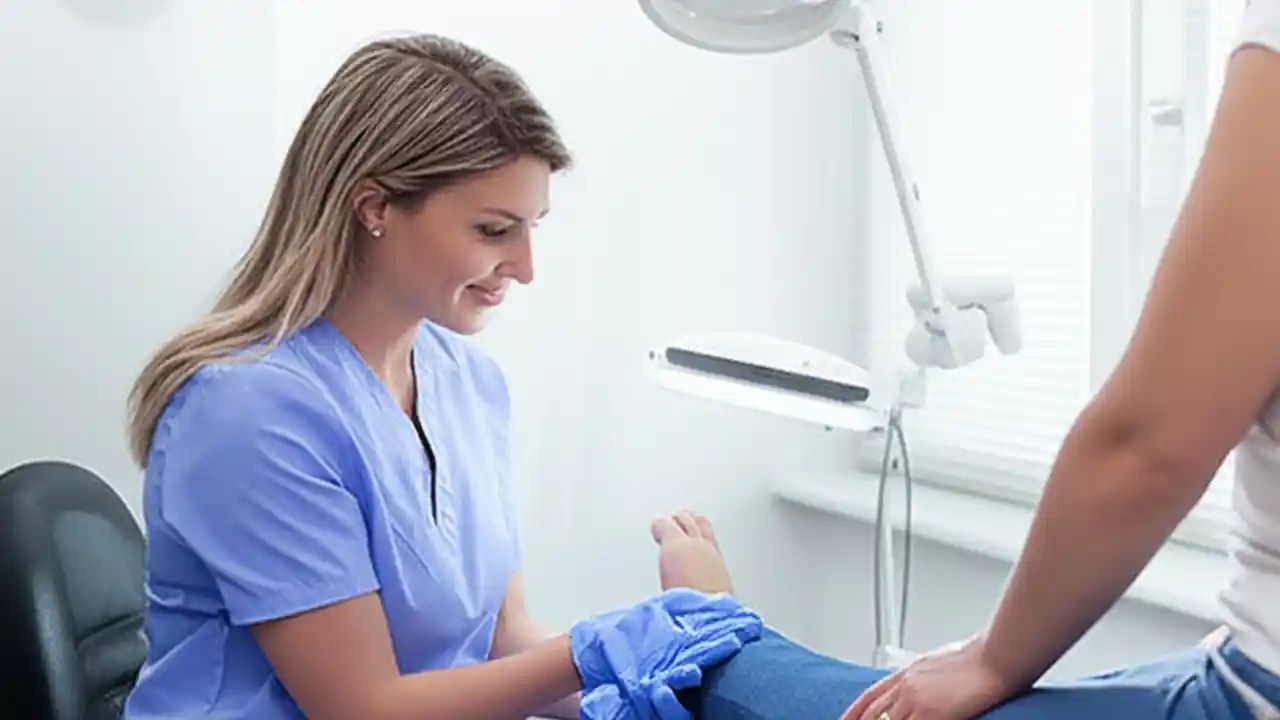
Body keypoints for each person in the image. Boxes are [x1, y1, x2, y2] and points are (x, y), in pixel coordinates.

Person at [120, 34, 764, 720]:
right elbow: (363, 708)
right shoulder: (249, 412)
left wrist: (644, 687)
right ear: (374, 208)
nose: (525, 266)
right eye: (493, 231)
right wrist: (615, 646)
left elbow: (501, 639)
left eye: (532, 228)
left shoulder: (467, 382)